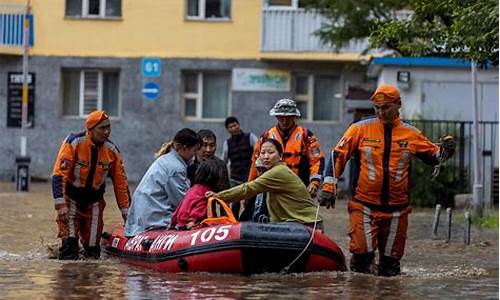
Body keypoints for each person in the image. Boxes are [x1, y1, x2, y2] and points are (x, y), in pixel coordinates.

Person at [317, 84, 456, 276]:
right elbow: (337, 156)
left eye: (386, 107)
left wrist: (447, 150)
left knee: (390, 267)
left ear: (398, 104)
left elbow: (435, 156)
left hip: (397, 210)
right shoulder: (359, 129)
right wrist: (328, 186)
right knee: (361, 258)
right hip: (363, 206)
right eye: (377, 108)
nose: (380, 112)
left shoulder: (412, 134)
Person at [51, 110, 131, 259]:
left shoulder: (112, 151)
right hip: (71, 201)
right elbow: (58, 175)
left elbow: (121, 184)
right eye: (102, 128)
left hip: (94, 203)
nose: (106, 132)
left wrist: (127, 214)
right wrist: (60, 205)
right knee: (69, 249)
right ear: (90, 129)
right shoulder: (74, 143)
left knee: (93, 252)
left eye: (108, 127)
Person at [207, 138, 322, 229]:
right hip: (294, 223)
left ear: (280, 156)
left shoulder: (278, 172)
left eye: (271, 152)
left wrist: (218, 196)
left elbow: (248, 188)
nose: (266, 157)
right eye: (262, 153)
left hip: (306, 223)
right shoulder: (275, 171)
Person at [124, 128, 201, 237]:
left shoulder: (166, 159)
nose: (194, 155)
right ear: (184, 148)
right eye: (193, 151)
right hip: (153, 221)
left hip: (140, 219)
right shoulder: (176, 168)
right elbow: (183, 202)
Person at [247, 99, 325, 198]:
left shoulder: (306, 136)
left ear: (294, 116)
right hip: (272, 187)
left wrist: (314, 182)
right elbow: (255, 162)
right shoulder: (267, 136)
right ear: (276, 116)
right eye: (281, 117)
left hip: (299, 187)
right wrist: (250, 188)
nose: (285, 121)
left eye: (288, 117)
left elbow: (317, 160)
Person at [170, 159, 228, 230]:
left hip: (180, 223)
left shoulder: (193, 188)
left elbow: (180, 207)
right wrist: (192, 221)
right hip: (191, 225)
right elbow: (199, 210)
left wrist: (173, 224)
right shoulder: (207, 193)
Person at [222, 116, 258, 217]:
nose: (233, 128)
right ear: (227, 130)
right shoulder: (227, 144)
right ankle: (233, 221)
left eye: (235, 125)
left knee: (250, 200)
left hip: (250, 176)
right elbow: (224, 161)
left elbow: (258, 152)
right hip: (235, 177)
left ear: (239, 125)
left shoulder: (250, 137)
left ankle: (249, 219)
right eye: (230, 127)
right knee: (235, 202)